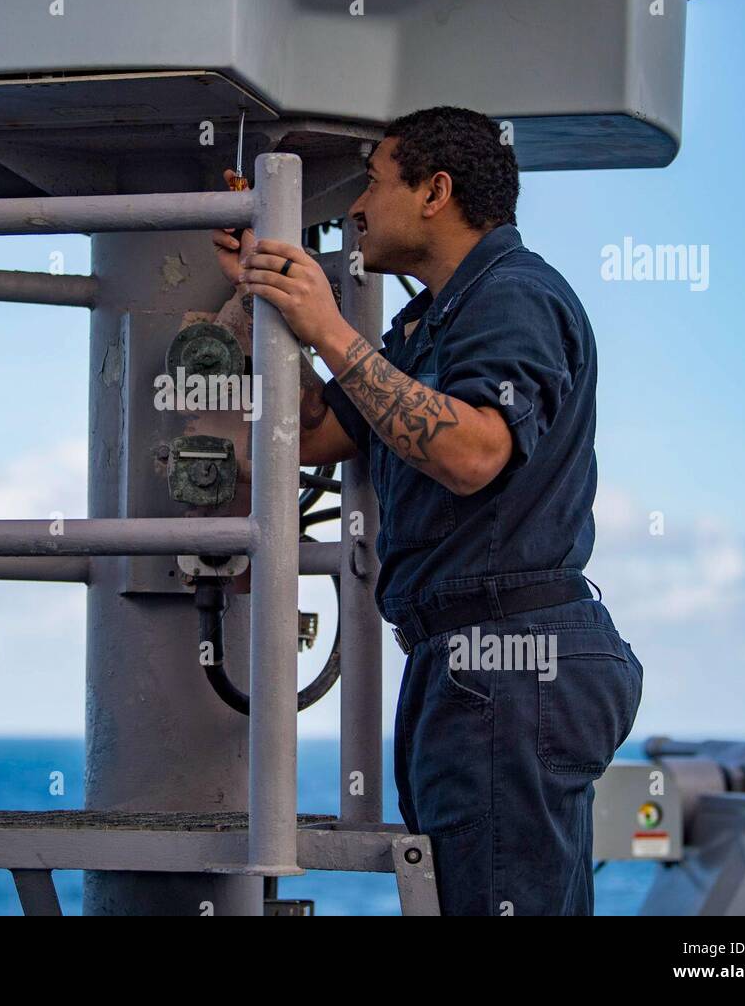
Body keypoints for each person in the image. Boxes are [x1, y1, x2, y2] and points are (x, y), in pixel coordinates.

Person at [211, 106, 643, 915]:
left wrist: (332, 329)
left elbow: (474, 453)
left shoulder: (512, 297)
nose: (357, 209)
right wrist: (262, 293)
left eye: (373, 183)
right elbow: (317, 431)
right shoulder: (428, 321)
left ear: (436, 191)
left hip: (510, 658)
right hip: (476, 662)